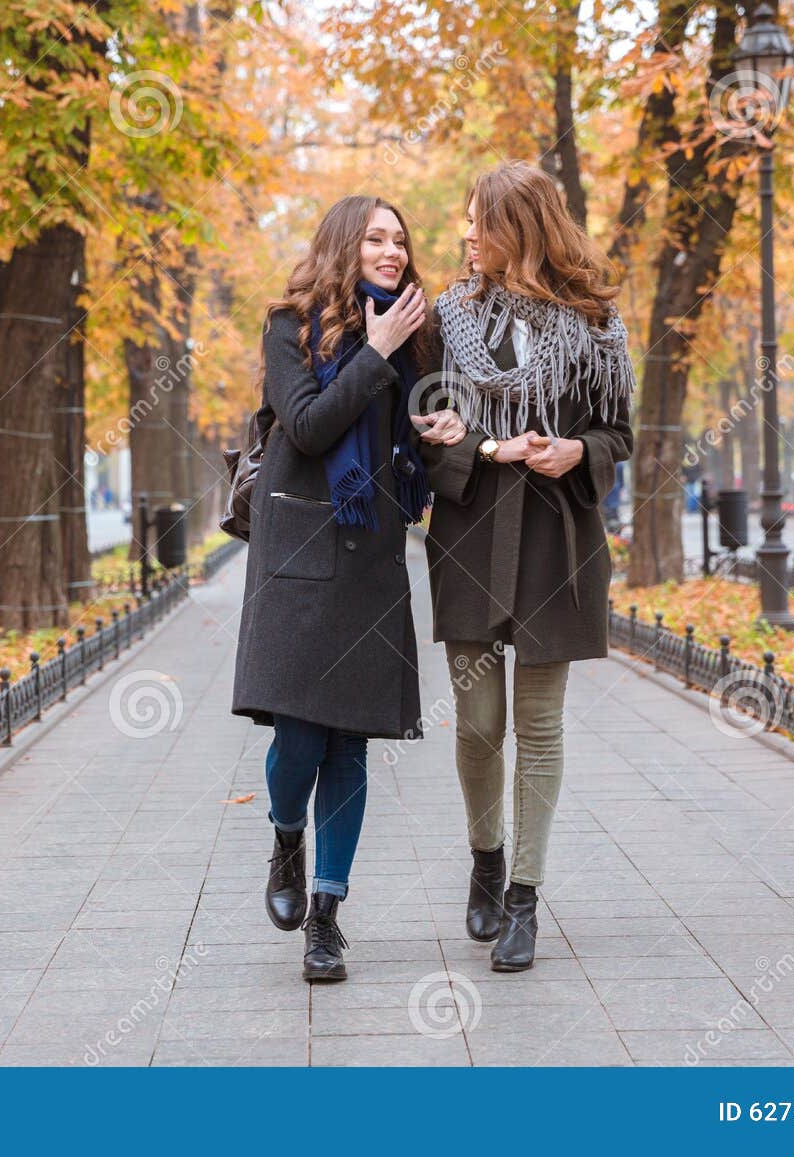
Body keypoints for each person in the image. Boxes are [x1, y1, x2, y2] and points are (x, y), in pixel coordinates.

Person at [230, 194, 464, 983]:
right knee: (299, 736)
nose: (394, 251)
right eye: (376, 238)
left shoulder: (416, 334)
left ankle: (327, 918)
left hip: (370, 555)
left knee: (351, 743)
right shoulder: (290, 326)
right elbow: (306, 425)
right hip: (298, 553)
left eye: (401, 239)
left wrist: (438, 433)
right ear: (344, 244)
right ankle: (285, 836)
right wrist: (376, 347)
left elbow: (423, 435)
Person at [418, 162, 635, 972]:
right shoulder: (446, 319)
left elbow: (620, 433)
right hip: (470, 536)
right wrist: (484, 445)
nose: (466, 235)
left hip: (558, 540)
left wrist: (575, 448)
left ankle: (524, 899)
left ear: (521, 227)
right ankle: (485, 856)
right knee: (478, 725)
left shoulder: (597, 324)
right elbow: (422, 427)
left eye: (479, 221)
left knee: (539, 727)